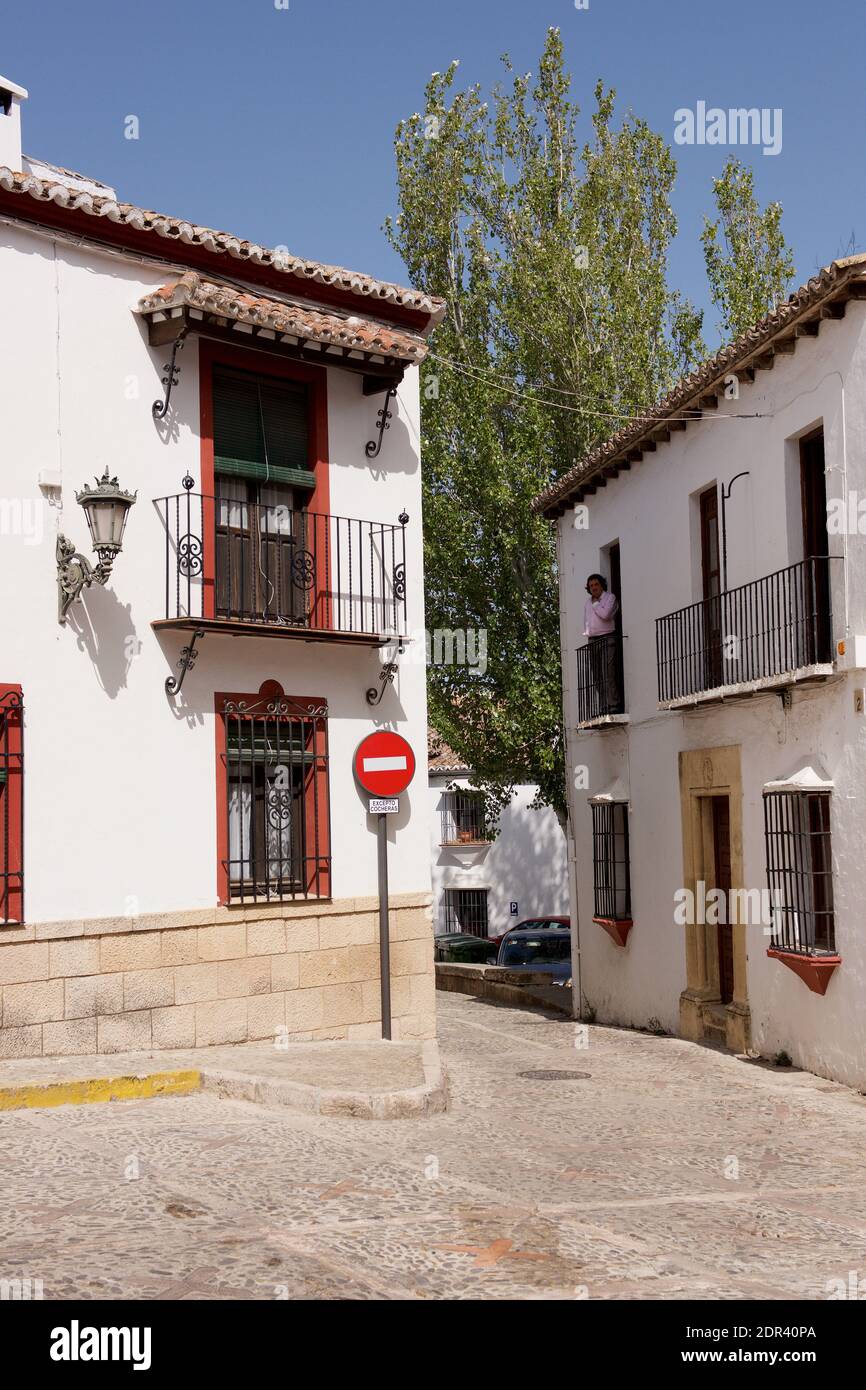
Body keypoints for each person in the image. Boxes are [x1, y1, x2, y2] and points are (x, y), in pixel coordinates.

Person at [583, 574, 621, 714]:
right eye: (591, 585)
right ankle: (604, 706)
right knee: (597, 675)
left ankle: (613, 704)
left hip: (607, 638)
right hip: (593, 640)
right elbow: (587, 619)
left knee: (608, 672)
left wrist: (596, 604)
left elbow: (606, 615)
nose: (593, 588)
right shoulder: (588, 602)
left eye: (596, 584)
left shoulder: (609, 598)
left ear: (601, 585)